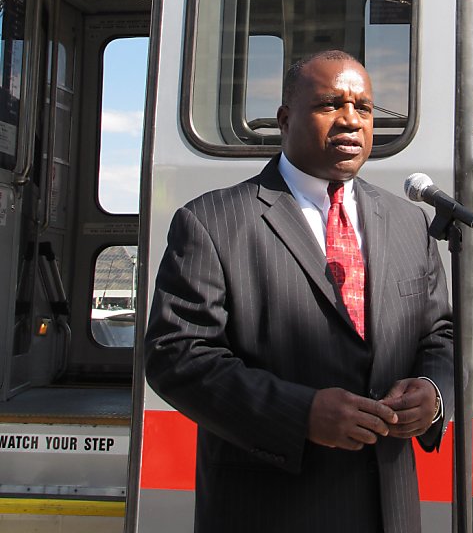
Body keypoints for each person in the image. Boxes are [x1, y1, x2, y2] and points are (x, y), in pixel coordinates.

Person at [145, 50, 453, 533]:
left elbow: (439, 335)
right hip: (270, 508)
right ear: (285, 119)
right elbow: (177, 357)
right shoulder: (211, 222)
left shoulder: (408, 222)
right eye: (330, 105)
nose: (351, 121)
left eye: (364, 108)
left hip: (388, 510)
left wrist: (433, 395)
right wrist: (301, 414)